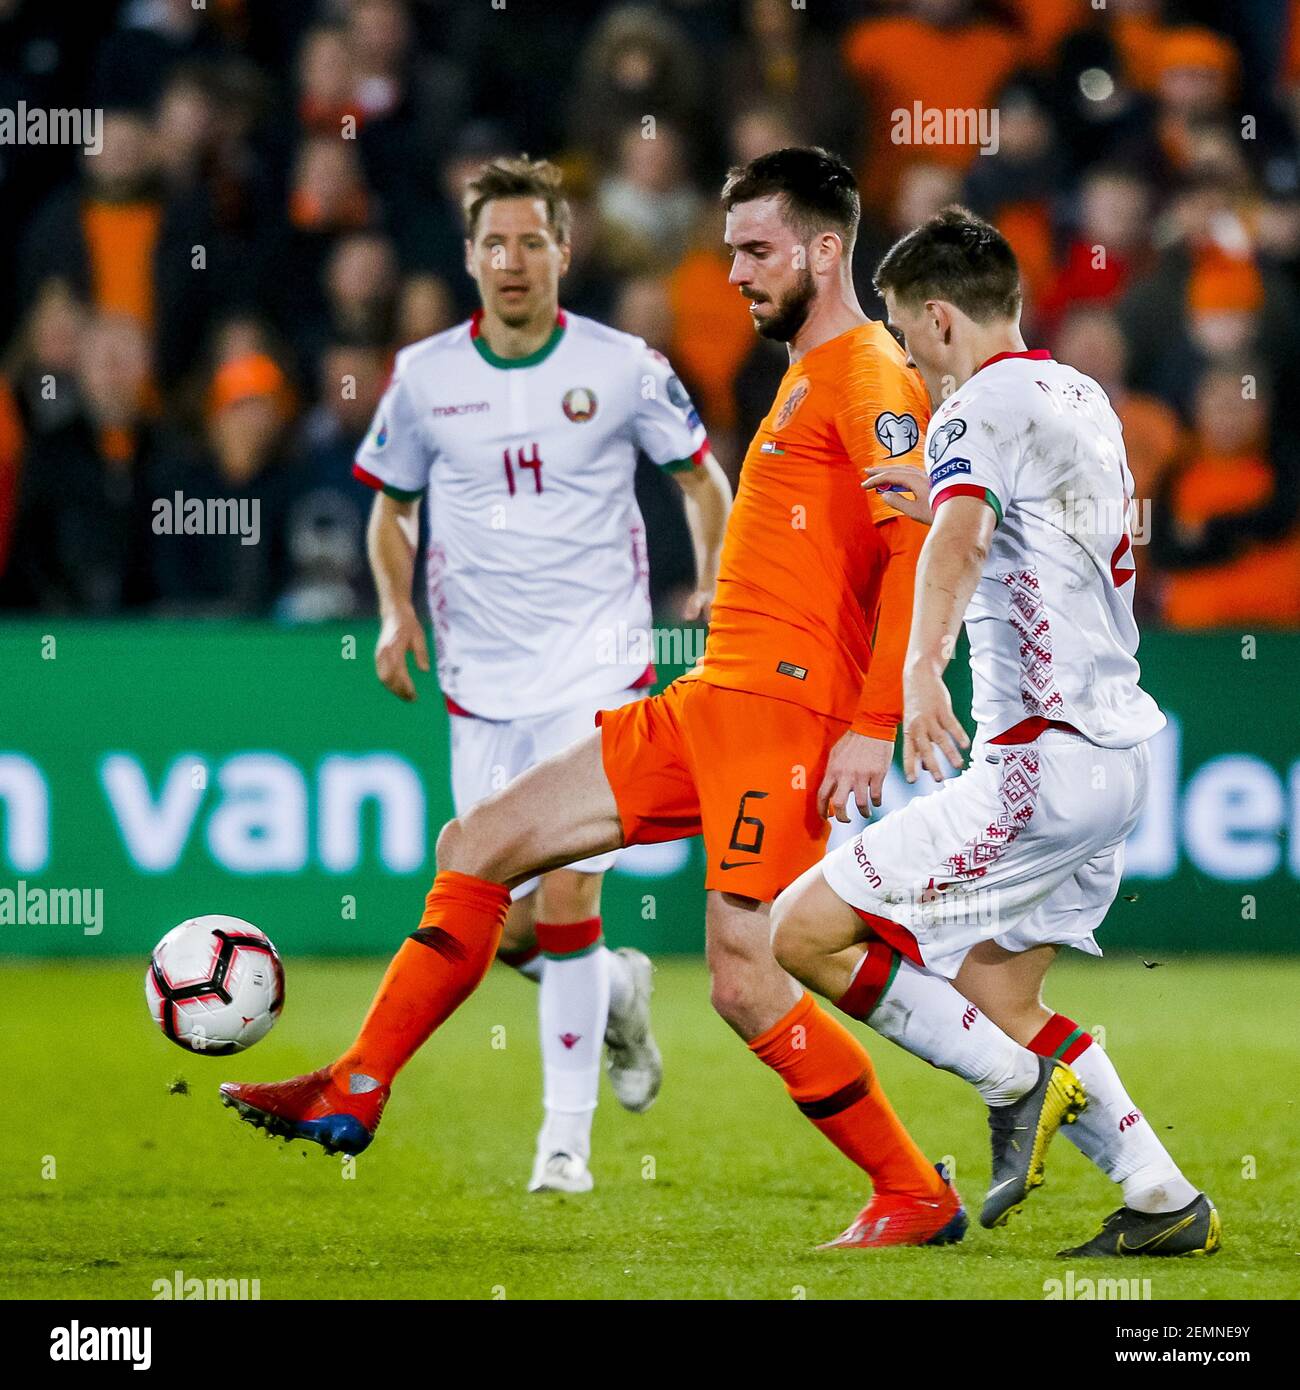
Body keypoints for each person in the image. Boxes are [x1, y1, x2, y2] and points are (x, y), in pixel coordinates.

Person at [220, 149, 1075, 1250]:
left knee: (743, 978)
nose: (733, 273)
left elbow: (918, 544)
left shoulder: (868, 372)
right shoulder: (809, 373)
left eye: (756, 250)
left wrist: (872, 722)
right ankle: (357, 1085)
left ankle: (919, 1184)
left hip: (787, 713)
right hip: (714, 697)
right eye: (729, 251)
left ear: (825, 250)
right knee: (478, 841)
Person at [265, 156, 732, 1193]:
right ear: (469, 257)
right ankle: (615, 991)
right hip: (480, 683)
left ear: (563, 251)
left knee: (565, 892)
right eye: (494, 243)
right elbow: (391, 509)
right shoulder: (426, 378)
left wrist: (712, 579)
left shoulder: (621, 366)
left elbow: (700, 477)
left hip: (599, 668)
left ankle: (562, 1144)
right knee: (502, 912)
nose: (513, 261)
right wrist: (394, 612)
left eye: (532, 241)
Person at [769, 207, 1221, 1257]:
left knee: (800, 930)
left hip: (1039, 762)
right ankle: (1160, 1196)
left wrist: (921, 671)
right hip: (1119, 755)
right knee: (992, 992)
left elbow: (961, 539)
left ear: (935, 320)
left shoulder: (970, 408)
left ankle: (1020, 1088)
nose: (906, 361)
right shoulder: (1078, 391)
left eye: (899, 331)